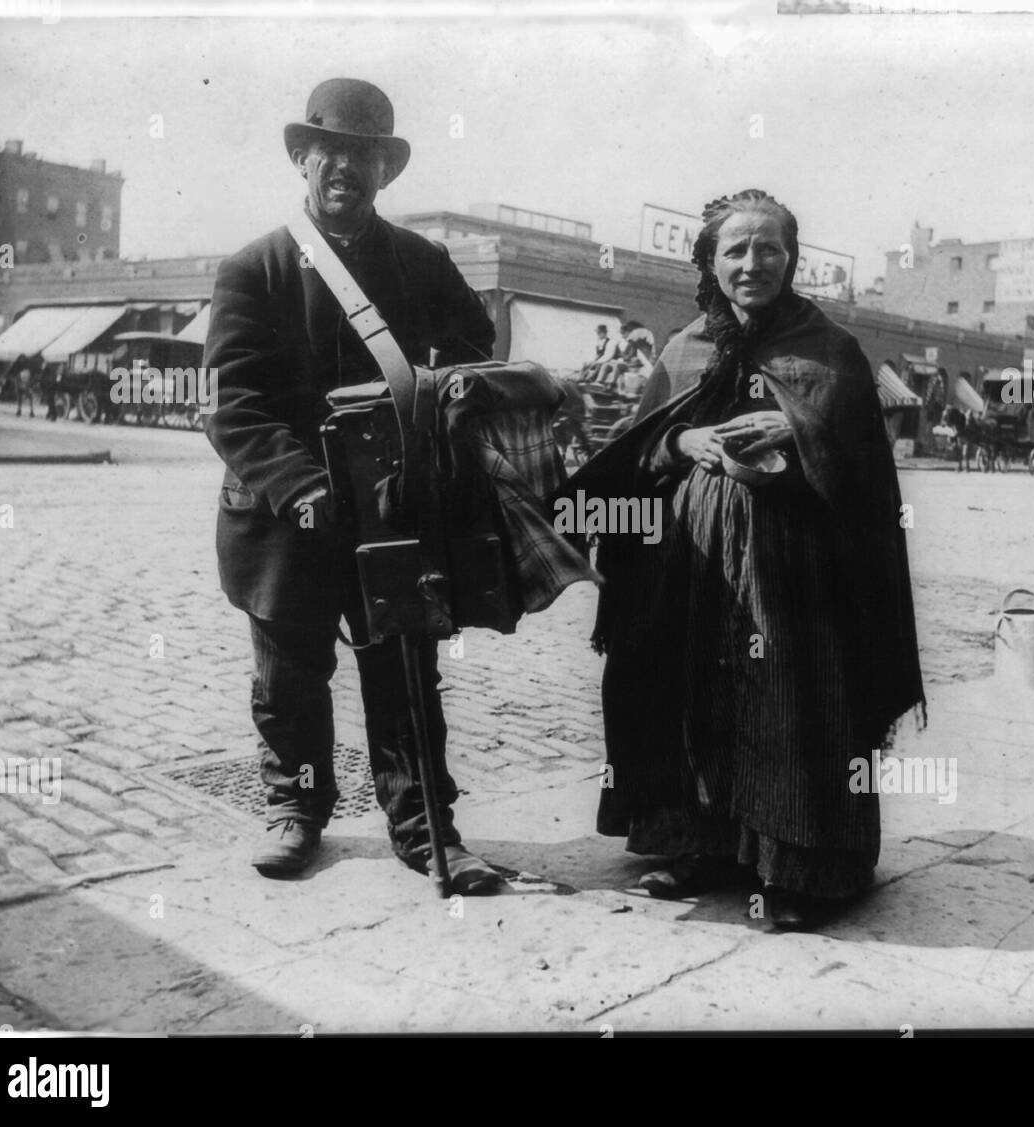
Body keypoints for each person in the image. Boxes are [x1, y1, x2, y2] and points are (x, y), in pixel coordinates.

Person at [564, 190, 924, 930]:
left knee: (792, 696)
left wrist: (796, 436)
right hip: (690, 561)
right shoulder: (683, 346)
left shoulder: (829, 348)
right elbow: (639, 451)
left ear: (791, 260)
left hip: (796, 565)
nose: (752, 262)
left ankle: (804, 867)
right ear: (711, 260)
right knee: (691, 687)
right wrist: (684, 443)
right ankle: (700, 843)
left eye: (769, 249)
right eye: (735, 250)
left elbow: (862, 470)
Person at [204, 78, 504, 891]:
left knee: (405, 670)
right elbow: (234, 407)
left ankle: (424, 826)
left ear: (386, 173)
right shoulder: (255, 268)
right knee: (289, 673)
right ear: (303, 158)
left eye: (365, 157)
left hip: (392, 508)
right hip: (286, 513)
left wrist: (448, 391)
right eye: (330, 151)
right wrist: (300, 484)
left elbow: (474, 354)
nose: (346, 167)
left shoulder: (421, 263)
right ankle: (297, 814)